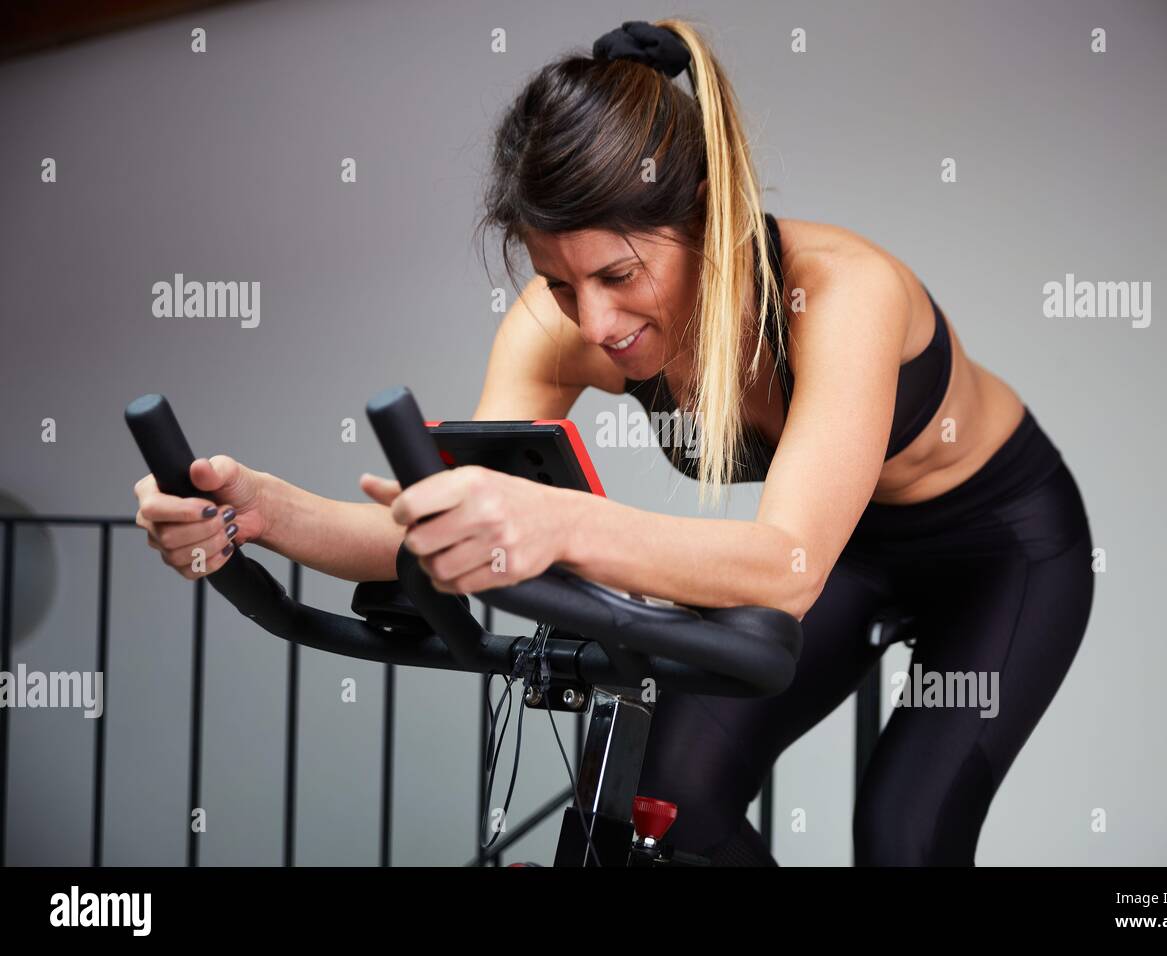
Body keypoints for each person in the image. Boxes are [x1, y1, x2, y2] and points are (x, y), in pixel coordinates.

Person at [132, 19, 1094, 866]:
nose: (592, 323)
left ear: (707, 221)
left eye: (621, 273)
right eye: (560, 284)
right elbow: (456, 529)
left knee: (904, 836)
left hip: (997, 548)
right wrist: (262, 510)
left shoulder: (842, 293)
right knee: (665, 799)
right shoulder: (561, 329)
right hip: (845, 552)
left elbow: (784, 565)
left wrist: (557, 522)